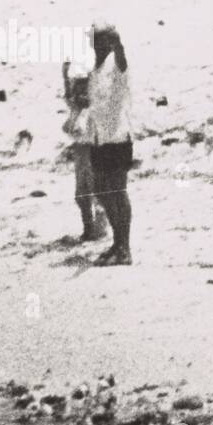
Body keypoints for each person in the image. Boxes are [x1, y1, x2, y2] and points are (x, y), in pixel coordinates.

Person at [86, 25, 134, 266]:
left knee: (117, 190)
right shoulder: (93, 70)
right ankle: (117, 243)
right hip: (98, 138)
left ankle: (124, 247)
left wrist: (119, 46)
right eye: (93, 39)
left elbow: (123, 64)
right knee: (100, 191)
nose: (95, 43)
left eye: (100, 39)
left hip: (117, 138)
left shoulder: (116, 65)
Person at [61, 59, 107, 242]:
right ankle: (89, 229)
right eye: (77, 91)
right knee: (81, 195)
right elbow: (68, 95)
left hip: (95, 150)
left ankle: (100, 229)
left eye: (83, 91)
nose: (80, 94)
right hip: (81, 151)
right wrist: (64, 74)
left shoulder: (95, 108)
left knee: (97, 192)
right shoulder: (76, 107)